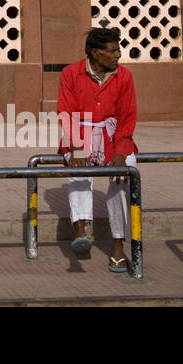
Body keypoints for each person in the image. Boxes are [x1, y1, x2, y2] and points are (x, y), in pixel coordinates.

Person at [57, 26, 137, 273]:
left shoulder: (124, 77)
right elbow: (66, 112)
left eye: (118, 50)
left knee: (124, 176)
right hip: (79, 135)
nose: (117, 56)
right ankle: (80, 229)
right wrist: (77, 149)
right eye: (112, 51)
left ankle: (117, 245)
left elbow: (127, 117)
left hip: (113, 135)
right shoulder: (71, 74)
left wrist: (121, 153)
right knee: (78, 169)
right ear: (94, 52)